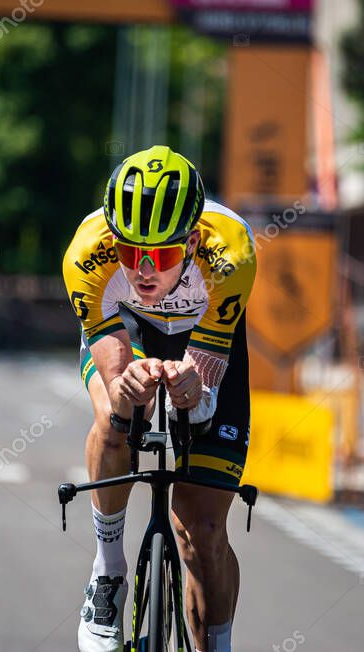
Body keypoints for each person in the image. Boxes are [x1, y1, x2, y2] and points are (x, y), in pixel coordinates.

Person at [62, 146, 256, 652]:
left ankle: (217, 641)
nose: (144, 271)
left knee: (202, 529)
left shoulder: (230, 253)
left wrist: (197, 395)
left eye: (164, 256)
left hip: (203, 336)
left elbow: (205, 393)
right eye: (130, 253)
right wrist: (129, 387)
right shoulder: (86, 255)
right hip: (131, 329)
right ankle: (108, 573)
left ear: (192, 242)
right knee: (117, 412)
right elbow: (117, 372)